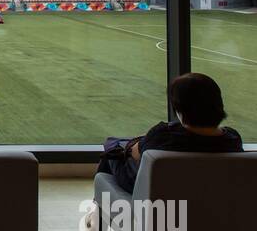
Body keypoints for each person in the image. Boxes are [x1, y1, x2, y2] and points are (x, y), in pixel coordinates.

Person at [96, 72, 243, 196]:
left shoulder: (163, 135)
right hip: (212, 200)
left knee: (113, 149)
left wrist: (140, 140)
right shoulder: (233, 139)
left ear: (179, 109)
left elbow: (133, 153)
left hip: (157, 199)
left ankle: (98, 214)